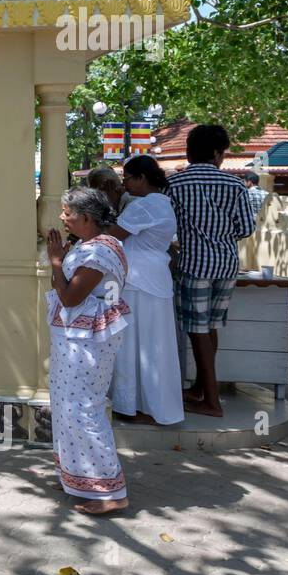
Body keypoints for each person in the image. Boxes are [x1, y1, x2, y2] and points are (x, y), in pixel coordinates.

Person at [45, 187, 131, 515]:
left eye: (67, 213)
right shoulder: (91, 246)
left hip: (87, 342)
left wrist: (56, 261)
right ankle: (78, 477)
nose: (62, 217)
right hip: (76, 338)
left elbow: (70, 298)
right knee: (68, 407)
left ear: (87, 217)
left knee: (83, 409)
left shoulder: (100, 251)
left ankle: (111, 491)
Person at [167, 124, 255, 417]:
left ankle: (211, 401)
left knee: (197, 330)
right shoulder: (235, 185)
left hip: (194, 264)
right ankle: (202, 391)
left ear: (190, 153)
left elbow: (169, 228)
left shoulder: (175, 185)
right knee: (209, 328)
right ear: (218, 153)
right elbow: (245, 228)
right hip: (227, 265)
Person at [107, 155, 182, 425]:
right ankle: (152, 403)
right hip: (153, 278)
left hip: (138, 280)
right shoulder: (162, 203)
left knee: (130, 343)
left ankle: (129, 405)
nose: (124, 182)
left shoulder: (145, 206)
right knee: (153, 344)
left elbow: (113, 235)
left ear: (141, 178)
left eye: (127, 177)